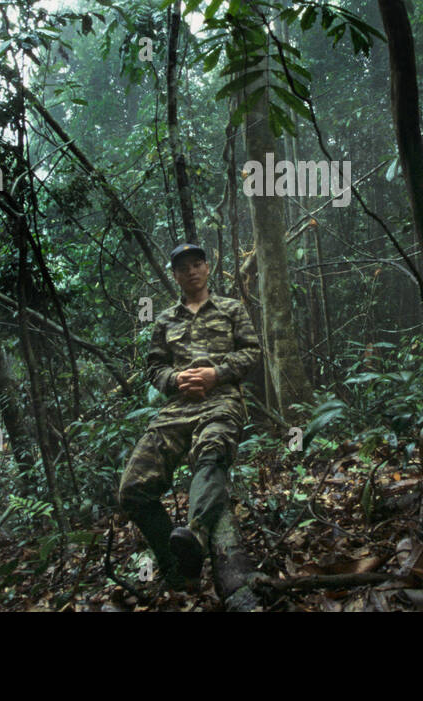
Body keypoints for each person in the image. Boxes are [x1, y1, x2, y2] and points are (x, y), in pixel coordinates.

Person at [116, 243, 260, 587]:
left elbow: (253, 352)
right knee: (133, 489)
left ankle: (194, 536)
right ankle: (178, 568)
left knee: (211, 452)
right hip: (177, 409)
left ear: (208, 268)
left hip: (222, 400)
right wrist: (176, 379)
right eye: (184, 268)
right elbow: (154, 367)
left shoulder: (230, 308)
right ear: (176, 276)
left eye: (197, 264)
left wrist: (217, 373)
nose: (192, 271)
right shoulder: (165, 319)